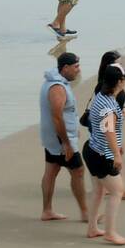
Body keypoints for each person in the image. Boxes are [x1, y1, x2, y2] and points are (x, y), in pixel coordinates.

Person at [83, 65, 125, 245]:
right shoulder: (109, 105)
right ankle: (110, 232)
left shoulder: (100, 96)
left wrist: (118, 144)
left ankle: (92, 228)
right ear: (119, 82)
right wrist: (117, 154)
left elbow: (106, 129)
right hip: (103, 154)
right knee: (117, 191)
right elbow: (109, 130)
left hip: (92, 149)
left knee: (98, 191)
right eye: (124, 78)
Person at [40, 52, 88, 222]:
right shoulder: (57, 88)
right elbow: (57, 117)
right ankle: (85, 213)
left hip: (55, 138)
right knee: (78, 171)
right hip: (60, 140)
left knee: (51, 170)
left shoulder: (55, 82)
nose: (78, 70)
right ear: (65, 68)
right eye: (76, 67)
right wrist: (67, 143)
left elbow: (65, 115)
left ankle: (47, 211)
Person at [91, 51, 125, 200]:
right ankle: (120, 189)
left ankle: (105, 187)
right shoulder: (111, 91)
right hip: (107, 128)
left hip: (100, 128)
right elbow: (109, 121)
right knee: (112, 156)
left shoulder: (103, 84)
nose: (122, 64)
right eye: (118, 62)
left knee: (104, 154)